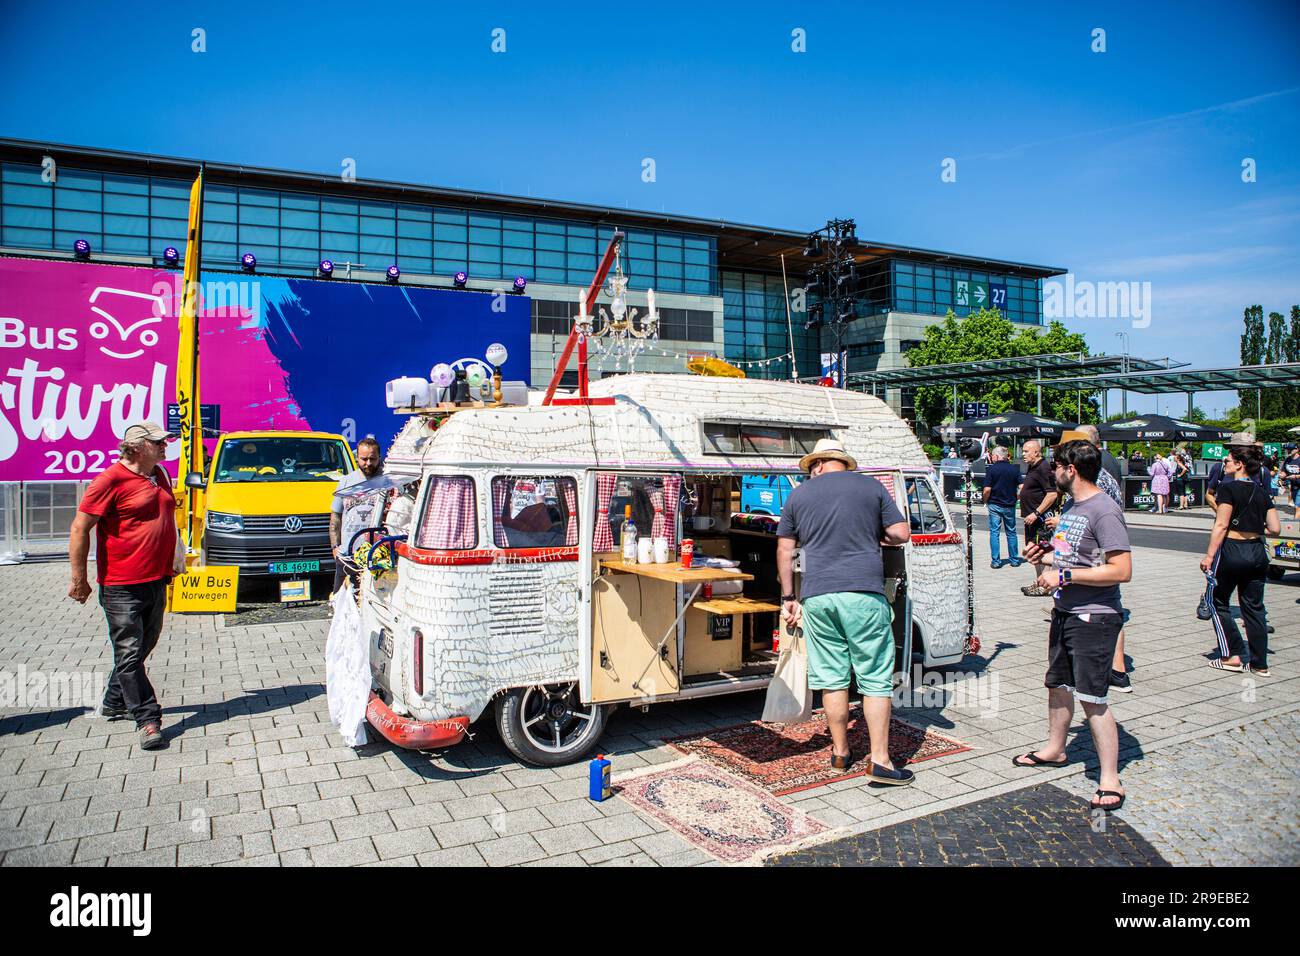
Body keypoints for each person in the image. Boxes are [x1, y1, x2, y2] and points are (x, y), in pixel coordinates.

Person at [777, 438, 913, 783]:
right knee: (875, 679)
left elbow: (785, 549)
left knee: (832, 677)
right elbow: (901, 533)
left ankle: (839, 753)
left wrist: (789, 596)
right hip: (864, 595)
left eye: (810, 469)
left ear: (819, 464)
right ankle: (880, 760)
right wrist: (876, 538)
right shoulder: (872, 487)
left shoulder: (798, 496)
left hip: (818, 596)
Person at [1015, 440, 1133, 814]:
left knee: (1093, 696)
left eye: (1056, 466)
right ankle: (1055, 748)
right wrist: (1044, 556)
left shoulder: (1104, 510)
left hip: (1095, 615)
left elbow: (1121, 570)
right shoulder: (1073, 508)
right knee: (1058, 684)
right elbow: (1073, 556)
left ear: (1071, 469)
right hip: (1065, 610)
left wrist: (1063, 573)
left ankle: (1110, 778)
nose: (1052, 472)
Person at [67, 422, 181, 751]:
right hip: (121, 585)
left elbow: (166, 521)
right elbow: (79, 528)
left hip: (156, 579)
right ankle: (148, 719)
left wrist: (174, 558)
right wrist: (79, 578)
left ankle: (115, 699)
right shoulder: (110, 480)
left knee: (144, 646)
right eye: (157, 443)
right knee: (129, 654)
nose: (164, 446)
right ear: (135, 448)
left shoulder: (159, 474)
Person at [1060, 426, 1131, 691]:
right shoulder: (1108, 463)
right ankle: (1116, 668)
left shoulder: (1095, 479)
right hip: (1099, 541)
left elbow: (1101, 512)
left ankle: (1116, 669)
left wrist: (1070, 569)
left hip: (1100, 543)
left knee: (1106, 597)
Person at [1201, 444, 1280, 675]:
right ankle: (1259, 664)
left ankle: (1231, 654)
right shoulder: (1262, 491)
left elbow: (1222, 524)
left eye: (1228, 460)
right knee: (1254, 608)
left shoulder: (1228, 489)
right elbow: (1274, 528)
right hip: (1257, 550)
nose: (1224, 463)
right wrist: (1255, 524)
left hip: (1233, 549)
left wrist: (1209, 555)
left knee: (1217, 601)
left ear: (1239, 464)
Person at [331, 437, 384, 594]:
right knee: (342, 603)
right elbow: (335, 517)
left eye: (372, 459)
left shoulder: (387, 481)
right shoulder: (346, 482)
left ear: (379, 458)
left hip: (377, 555)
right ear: (356, 458)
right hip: (348, 555)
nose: (368, 463)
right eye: (364, 459)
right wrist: (335, 547)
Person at [1019, 439, 1059, 596]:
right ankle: (1039, 581)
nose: (1023, 454)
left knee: (1040, 552)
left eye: (1026, 451)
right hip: (1031, 519)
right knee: (1033, 552)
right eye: (1023, 451)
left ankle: (1044, 586)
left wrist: (1036, 513)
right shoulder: (1032, 467)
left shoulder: (1044, 467)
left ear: (1036, 452)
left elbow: (1052, 494)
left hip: (1039, 520)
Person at [981, 445, 1022, 569]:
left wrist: (985, 500)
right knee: (1011, 532)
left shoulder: (991, 470)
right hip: (1010, 504)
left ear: (997, 456)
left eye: (993, 456)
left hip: (995, 504)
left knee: (995, 532)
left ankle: (996, 561)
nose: (992, 458)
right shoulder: (1014, 469)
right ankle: (1014, 560)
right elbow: (1022, 487)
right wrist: (1017, 497)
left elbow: (987, 489)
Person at [1283, 446, 1300, 516]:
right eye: (1287, 449)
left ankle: (1296, 523)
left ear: (1297, 449)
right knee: (1296, 504)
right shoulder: (1287, 460)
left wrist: (1296, 476)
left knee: (1298, 506)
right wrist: (1282, 475)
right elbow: (1284, 471)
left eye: (1291, 449)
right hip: (1294, 486)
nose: (1288, 451)